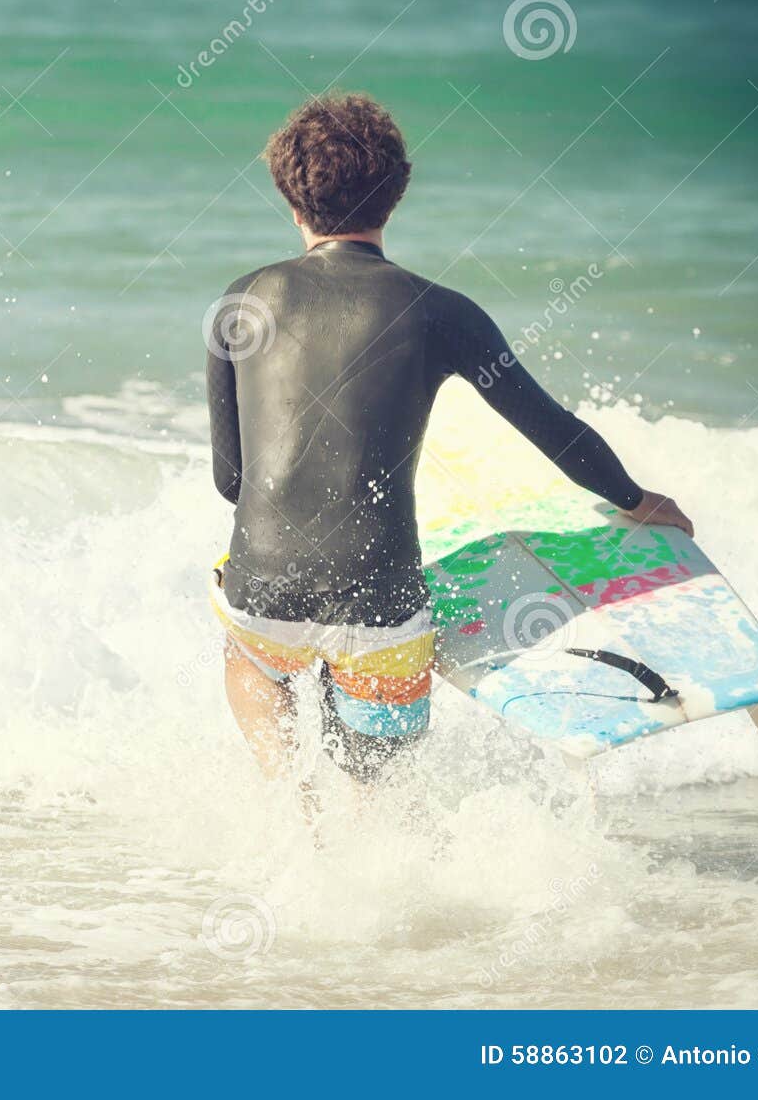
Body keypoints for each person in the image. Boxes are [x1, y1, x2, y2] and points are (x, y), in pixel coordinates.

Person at [206, 93, 693, 783]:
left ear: (291, 200)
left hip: (266, 597)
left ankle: (289, 798)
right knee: (374, 793)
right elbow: (550, 427)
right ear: (396, 194)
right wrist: (636, 500)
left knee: (251, 654)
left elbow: (232, 480)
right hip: (380, 610)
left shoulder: (240, 301)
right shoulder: (442, 312)